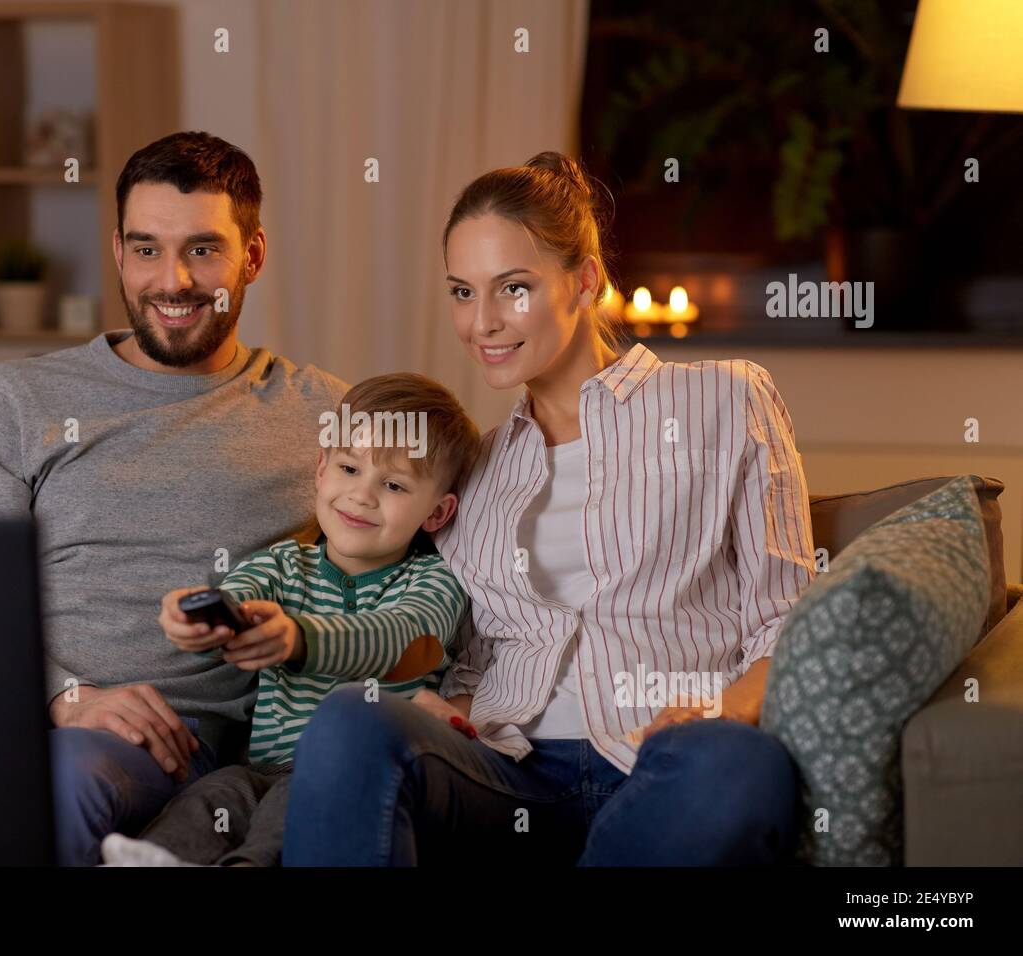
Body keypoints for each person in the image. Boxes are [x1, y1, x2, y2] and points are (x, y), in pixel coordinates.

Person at [282, 151, 817, 866]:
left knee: (740, 764)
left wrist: (727, 710)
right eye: (463, 293)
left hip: (667, 762)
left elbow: (789, 614)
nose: (482, 323)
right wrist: (450, 709)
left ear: (585, 279)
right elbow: (475, 655)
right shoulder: (476, 464)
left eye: (513, 289)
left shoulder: (726, 400)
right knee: (354, 717)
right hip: (508, 777)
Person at [0, 131, 347, 866]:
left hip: (192, 752)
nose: (173, 281)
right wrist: (69, 700)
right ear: (120, 252)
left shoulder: (328, 417)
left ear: (252, 255)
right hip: (39, 725)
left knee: (61, 787)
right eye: (148, 249)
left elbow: (442, 540)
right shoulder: (22, 397)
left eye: (202, 249)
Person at [99, 373, 479, 867]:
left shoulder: (434, 581)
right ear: (321, 469)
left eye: (392, 484)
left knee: (290, 806)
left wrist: (299, 638)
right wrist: (198, 621)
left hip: (353, 774)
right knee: (212, 795)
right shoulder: (281, 565)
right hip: (260, 765)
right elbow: (237, 601)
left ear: (438, 512)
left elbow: (398, 639)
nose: (361, 496)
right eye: (349, 467)